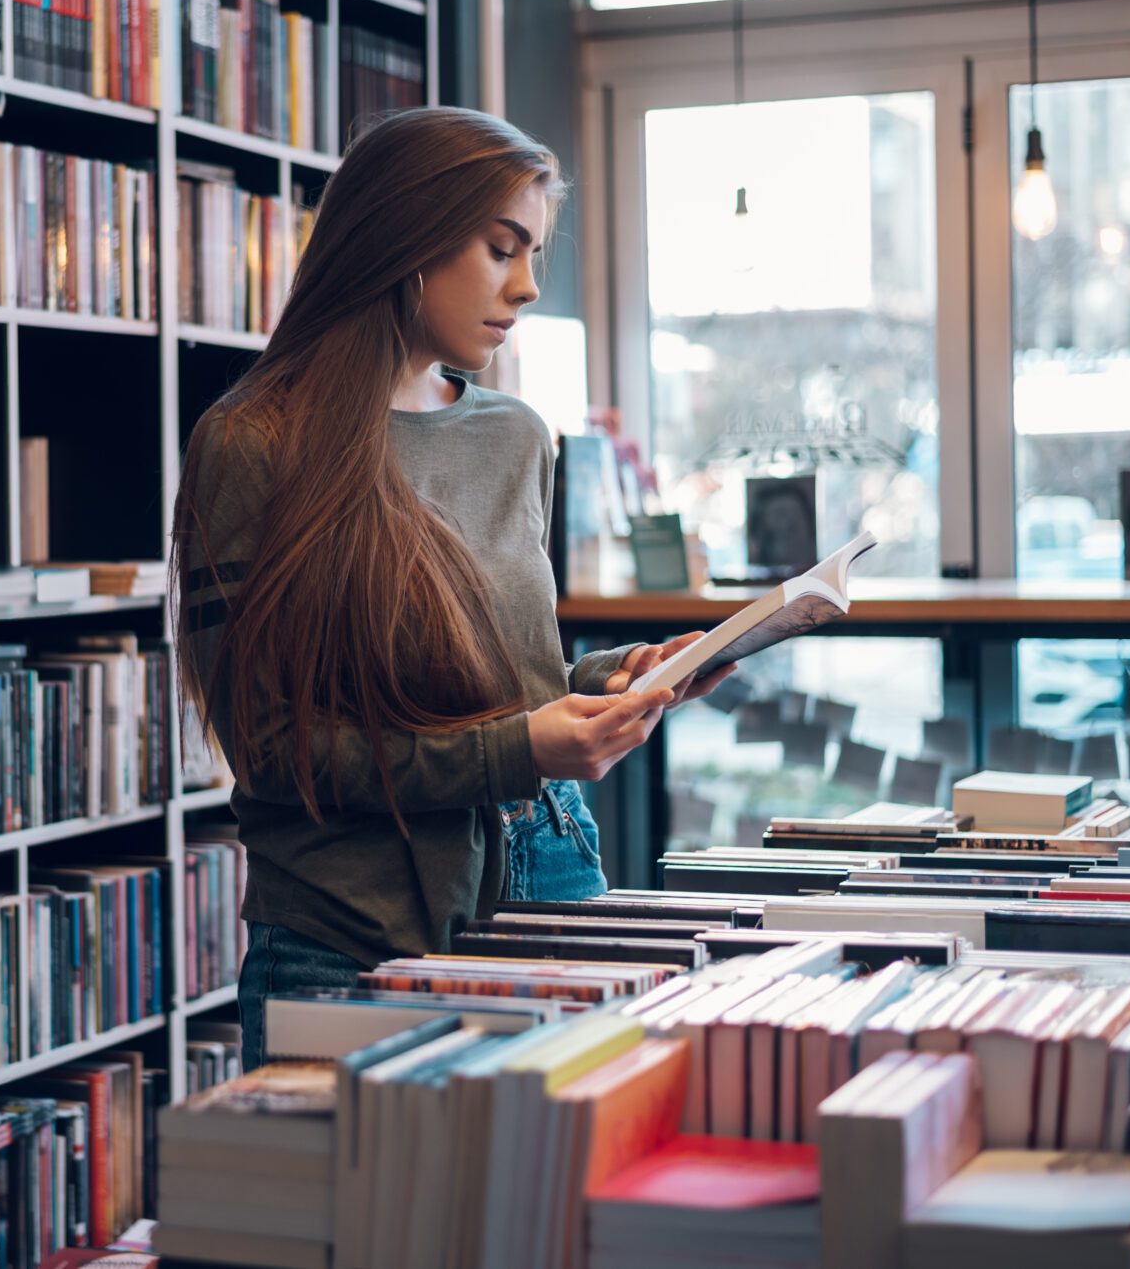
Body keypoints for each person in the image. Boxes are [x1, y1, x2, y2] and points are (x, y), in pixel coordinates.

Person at [169, 107, 734, 1070]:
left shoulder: (517, 436)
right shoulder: (255, 443)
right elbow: (275, 754)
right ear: (405, 236)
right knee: (375, 1221)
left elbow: (513, 682)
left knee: (550, 1214)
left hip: (552, 873)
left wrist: (614, 680)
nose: (527, 285)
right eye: (501, 247)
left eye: (536, 251)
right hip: (352, 932)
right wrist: (521, 746)